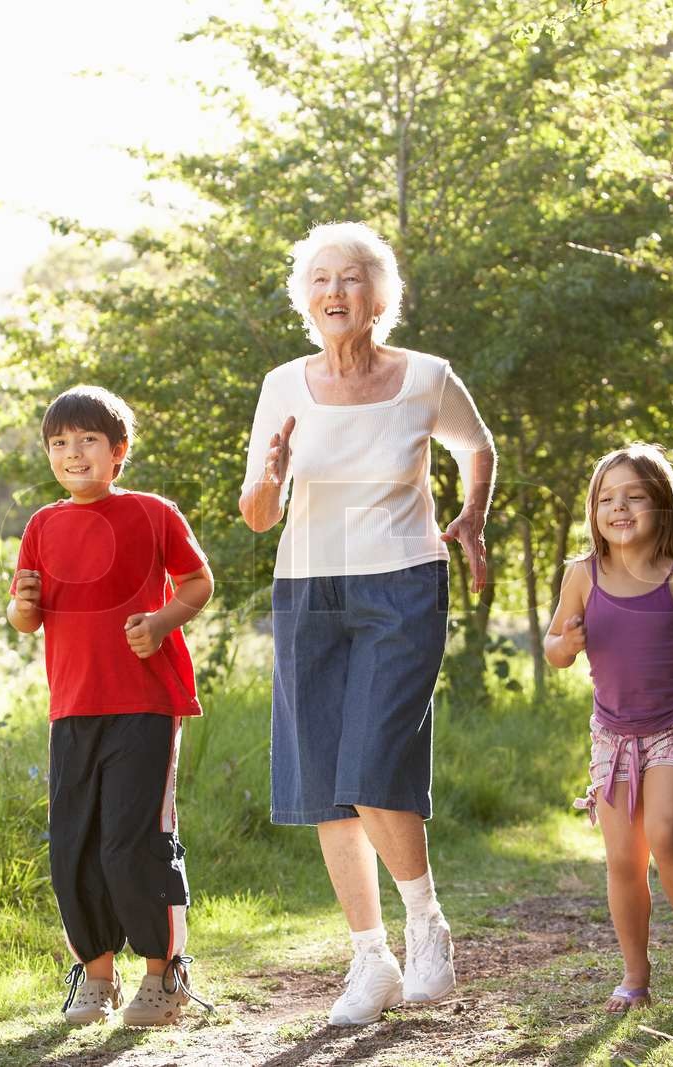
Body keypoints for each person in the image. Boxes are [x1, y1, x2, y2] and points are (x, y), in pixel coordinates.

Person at [239, 221, 496, 1026]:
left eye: (351, 278)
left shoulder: (426, 377)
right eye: (320, 280)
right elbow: (255, 514)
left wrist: (473, 517)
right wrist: (270, 480)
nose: (335, 291)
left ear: (380, 296)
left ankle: (427, 924)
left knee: (372, 755)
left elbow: (476, 444)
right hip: (308, 586)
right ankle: (370, 957)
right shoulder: (283, 384)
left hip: (403, 580)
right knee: (324, 780)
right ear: (304, 301)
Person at [7, 385, 215, 1027]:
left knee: (134, 840)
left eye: (88, 440)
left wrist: (160, 623)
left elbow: (199, 582)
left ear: (117, 451)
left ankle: (163, 974)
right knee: (74, 842)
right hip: (72, 708)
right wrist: (21, 604)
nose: (73, 453)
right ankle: (97, 978)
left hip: (144, 705)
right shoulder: (43, 524)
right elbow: (22, 618)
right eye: (59, 443)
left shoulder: (153, 513)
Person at [543, 443, 673, 1013]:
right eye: (607, 498)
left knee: (664, 832)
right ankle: (635, 973)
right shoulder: (582, 576)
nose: (619, 507)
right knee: (623, 858)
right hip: (612, 733)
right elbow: (555, 648)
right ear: (593, 512)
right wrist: (566, 643)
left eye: (634, 496)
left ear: (662, 507)